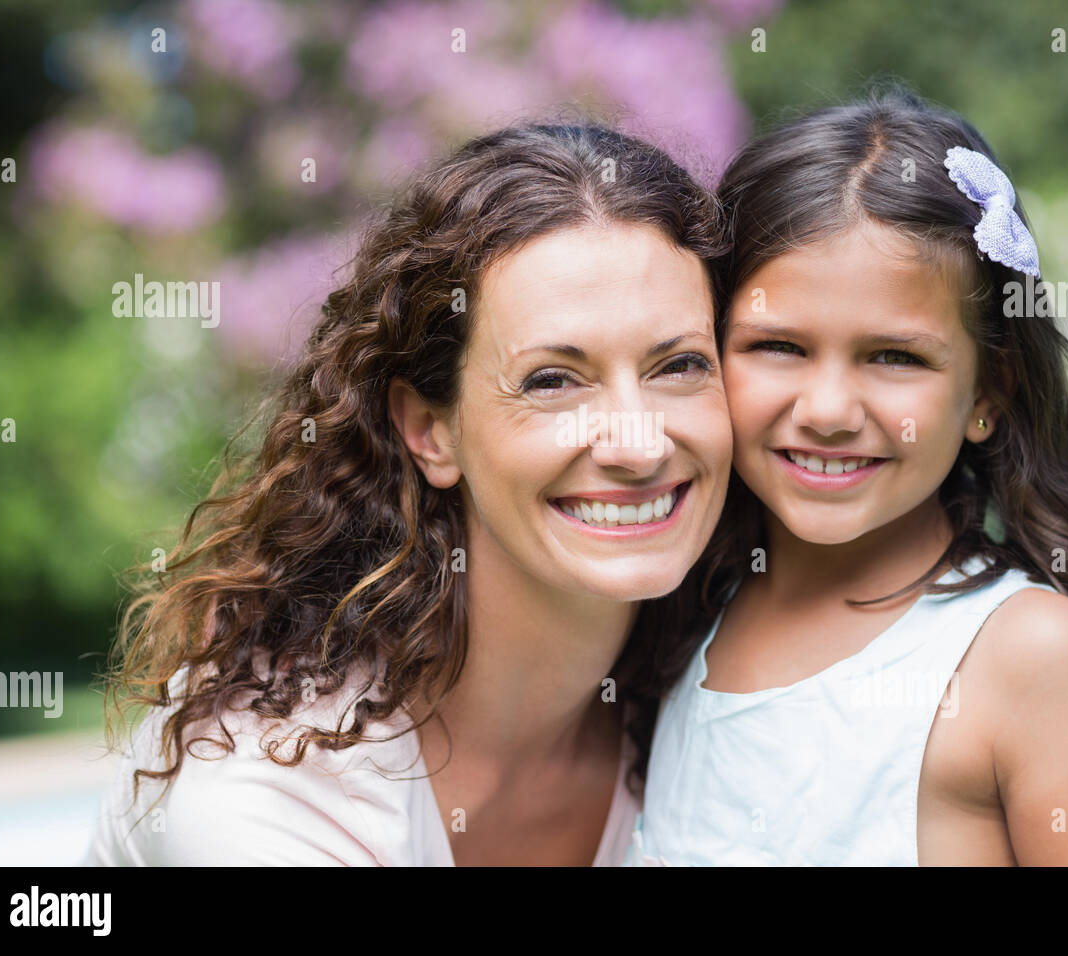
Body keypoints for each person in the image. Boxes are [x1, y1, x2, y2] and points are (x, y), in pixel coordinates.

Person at [84, 122, 733, 866]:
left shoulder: (712, 704)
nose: (640, 444)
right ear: (430, 430)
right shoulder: (269, 785)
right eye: (552, 379)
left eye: (679, 365)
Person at [633, 88, 1068, 865]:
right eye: (778, 345)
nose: (828, 410)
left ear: (987, 393)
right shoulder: (678, 611)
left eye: (895, 357)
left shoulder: (1028, 657)